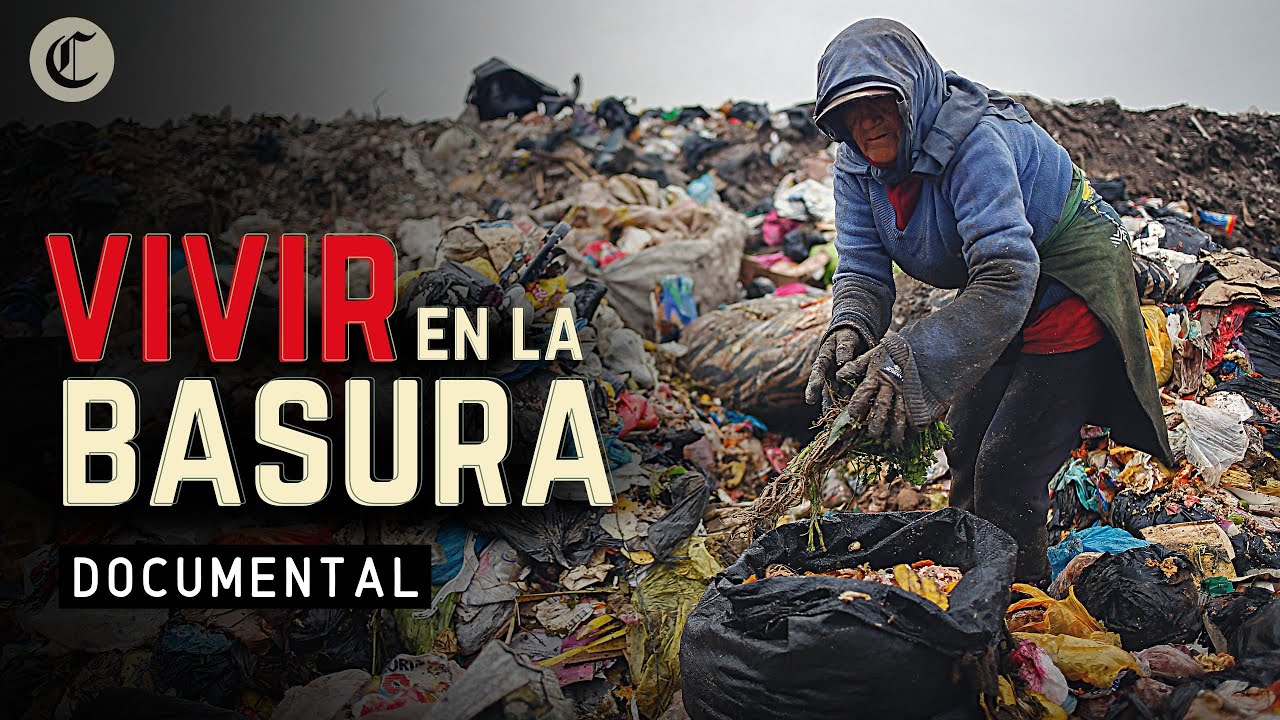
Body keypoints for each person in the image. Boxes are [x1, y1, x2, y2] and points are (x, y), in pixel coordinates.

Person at [804, 18, 1171, 584]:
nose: (867, 120)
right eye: (850, 110)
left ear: (915, 95)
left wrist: (911, 360)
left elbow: (1006, 273)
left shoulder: (974, 143)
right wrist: (848, 328)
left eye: (881, 102)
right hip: (998, 289)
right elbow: (861, 268)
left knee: (1008, 473)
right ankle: (973, 585)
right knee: (966, 448)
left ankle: (1022, 612)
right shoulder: (856, 166)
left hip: (1061, 280)